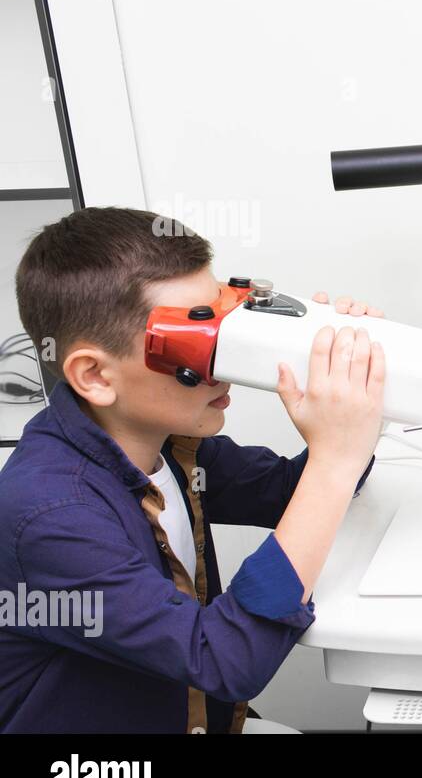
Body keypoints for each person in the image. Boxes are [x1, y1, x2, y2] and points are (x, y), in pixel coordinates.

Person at [0, 207, 386, 732]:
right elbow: (223, 659)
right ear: (94, 375)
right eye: (196, 346)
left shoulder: (172, 447)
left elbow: (295, 491)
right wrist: (335, 459)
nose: (222, 366)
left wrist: (347, 369)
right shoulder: (50, 516)